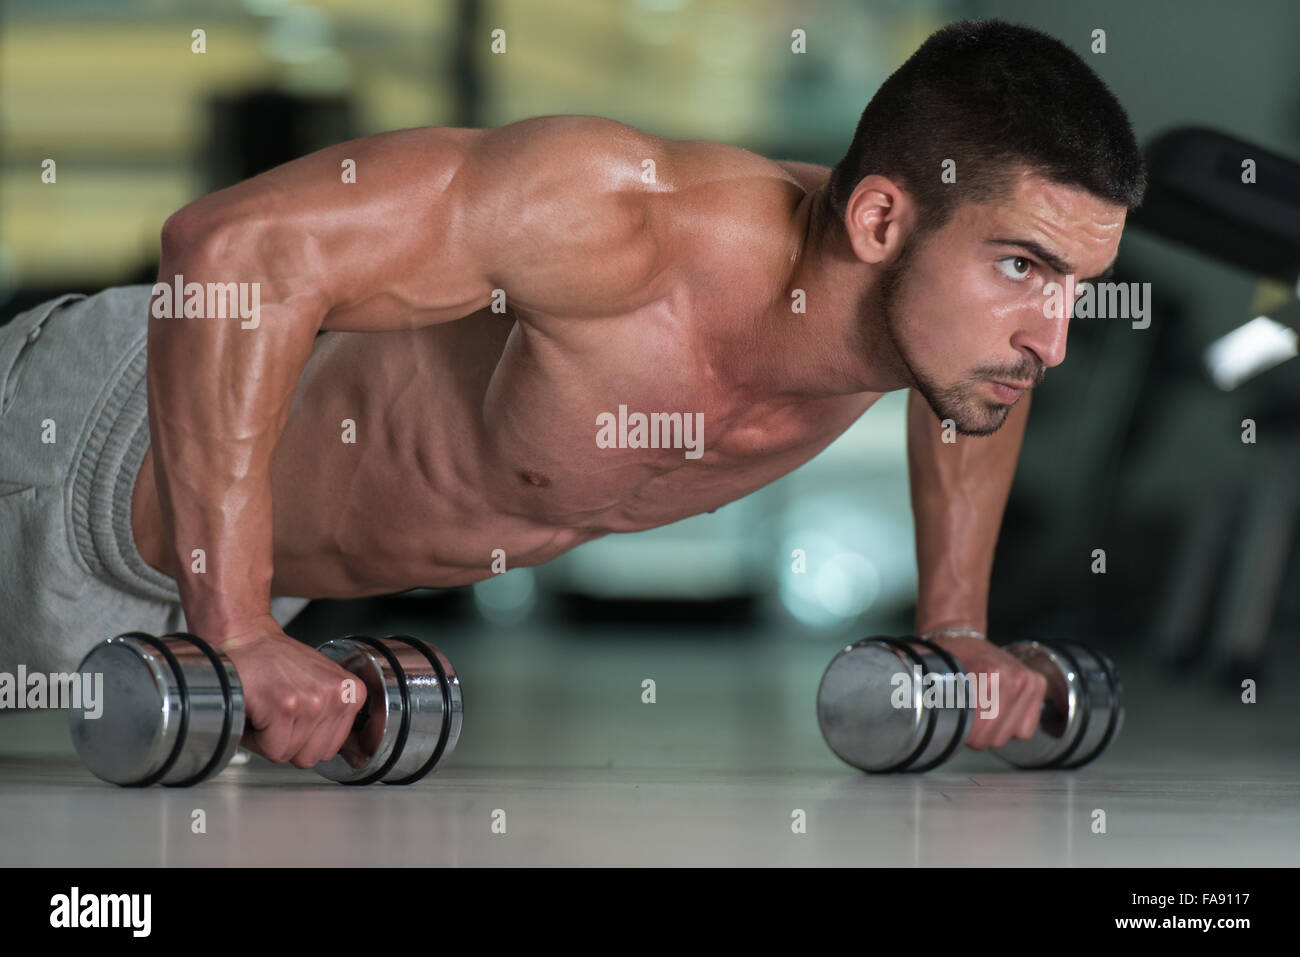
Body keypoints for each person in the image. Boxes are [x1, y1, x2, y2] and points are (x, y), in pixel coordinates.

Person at [0, 19, 1145, 769]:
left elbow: (981, 389)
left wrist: (954, 631)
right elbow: (228, 249)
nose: (1050, 340)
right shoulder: (620, 221)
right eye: (1021, 268)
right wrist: (234, 620)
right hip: (87, 457)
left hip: (222, 590)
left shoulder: (954, 341)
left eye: (1072, 287)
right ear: (882, 221)